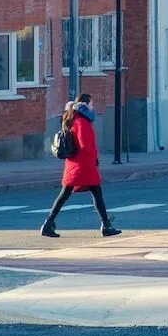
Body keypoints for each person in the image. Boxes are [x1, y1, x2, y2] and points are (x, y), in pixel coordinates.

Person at [41, 93, 120, 238]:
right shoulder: (82, 122)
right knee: (95, 193)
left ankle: (49, 223)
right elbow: (85, 145)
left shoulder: (74, 119)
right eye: (91, 104)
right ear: (85, 105)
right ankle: (106, 225)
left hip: (75, 164)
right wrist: (94, 155)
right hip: (83, 164)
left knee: (66, 194)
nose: (93, 107)